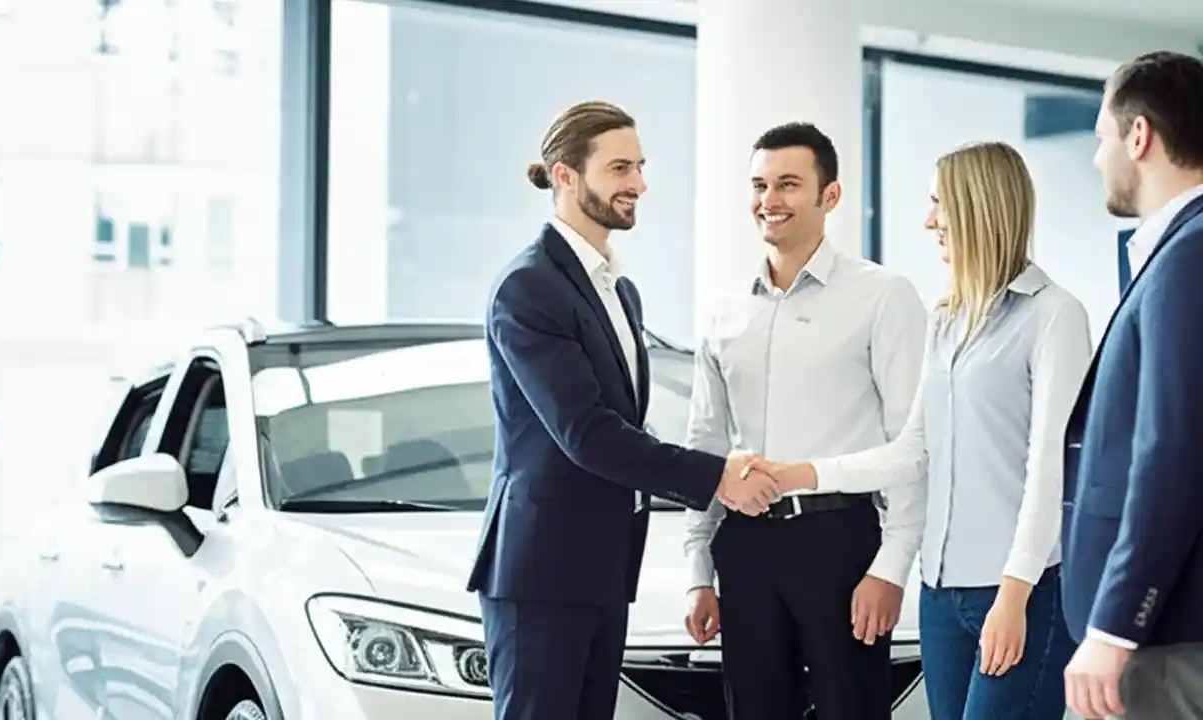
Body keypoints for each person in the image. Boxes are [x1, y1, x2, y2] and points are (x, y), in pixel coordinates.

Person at [466, 100, 782, 720]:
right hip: (541, 574)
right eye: (619, 169)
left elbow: (625, 424)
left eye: (639, 167)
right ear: (564, 176)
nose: (638, 184)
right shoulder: (528, 287)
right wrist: (716, 475)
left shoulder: (620, 289)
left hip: (602, 567)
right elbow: (585, 431)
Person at [771, 140, 1092, 719]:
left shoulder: (1055, 316)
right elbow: (913, 449)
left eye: (938, 203)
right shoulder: (948, 319)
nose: (929, 220)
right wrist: (803, 474)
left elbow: (1050, 471)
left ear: (977, 208)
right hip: (942, 596)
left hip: (1022, 593)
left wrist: (1014, 594)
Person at [681, 122, 928, 720]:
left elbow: (914, 445)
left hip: (841, 543)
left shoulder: (884, 295)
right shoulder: (723, 310)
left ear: (831, 196)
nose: (771, 200)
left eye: (789, 184)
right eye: (760, 184)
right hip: (744, 544)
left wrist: (891, 568)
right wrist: (698, 567)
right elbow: (705, 443)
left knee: (853, 709)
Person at [1061, 50, 1203, 720]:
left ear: (1139, 135)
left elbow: (1173, 451)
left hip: (1165, 635)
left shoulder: (1191, 255)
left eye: (1101, 136)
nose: (1097, 157)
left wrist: (1115, 625)